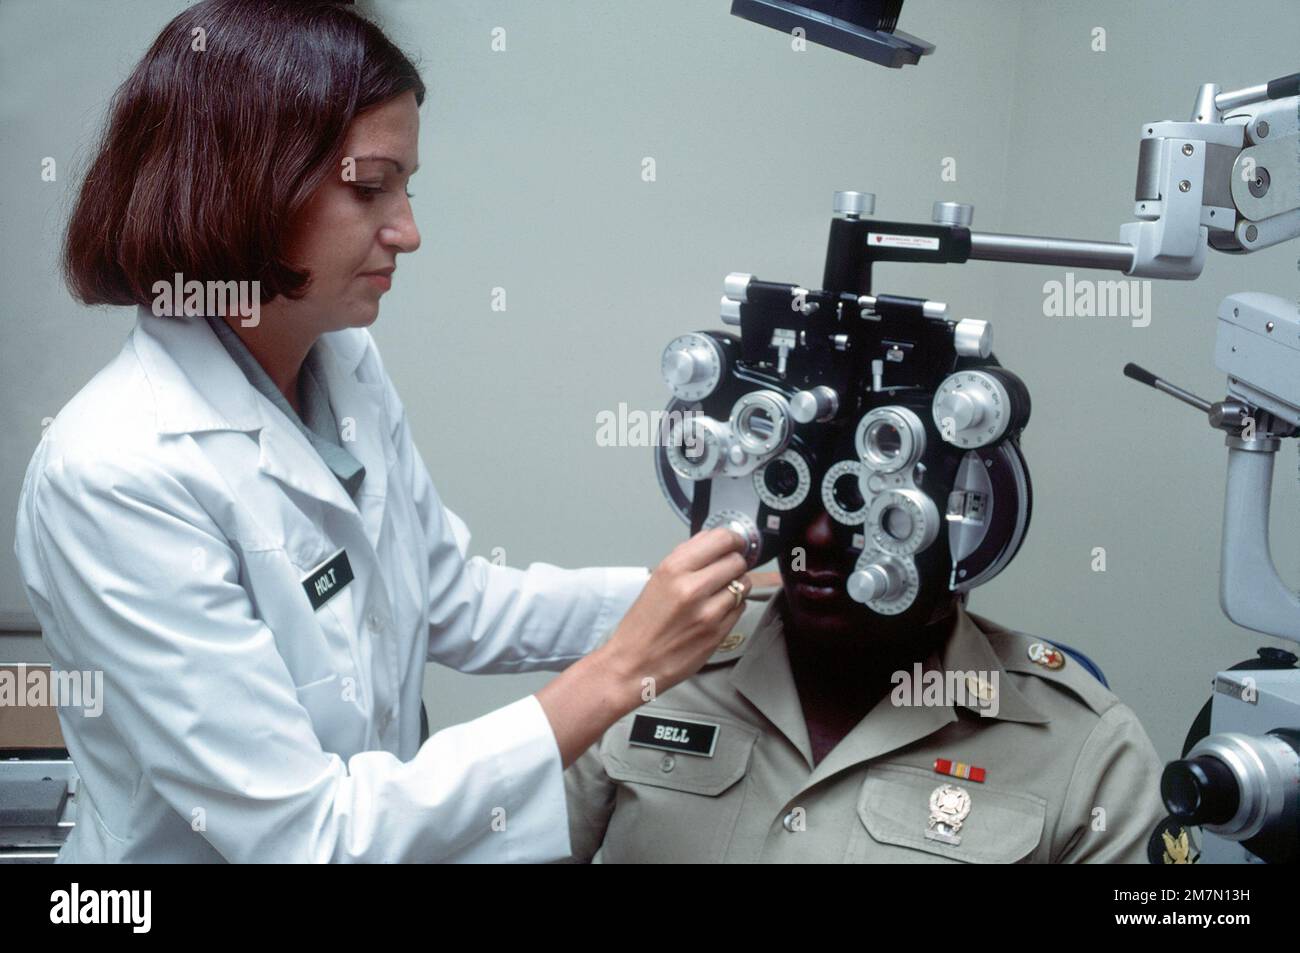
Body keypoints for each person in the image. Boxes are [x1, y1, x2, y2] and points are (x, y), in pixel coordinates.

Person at [13, 0, 752, 863]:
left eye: (406, 188)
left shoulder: (342, 359)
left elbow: (453, 603)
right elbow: (308, 836)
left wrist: (722, 596)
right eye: (369, 188)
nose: (407, 230)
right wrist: (619, 672)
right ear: (246, 180)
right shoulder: (116, 471)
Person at [564, 504, 1167, 863]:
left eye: (869, 505)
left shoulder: (1086, 749)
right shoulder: (653, 667)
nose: (819, 536)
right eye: (802, 492)